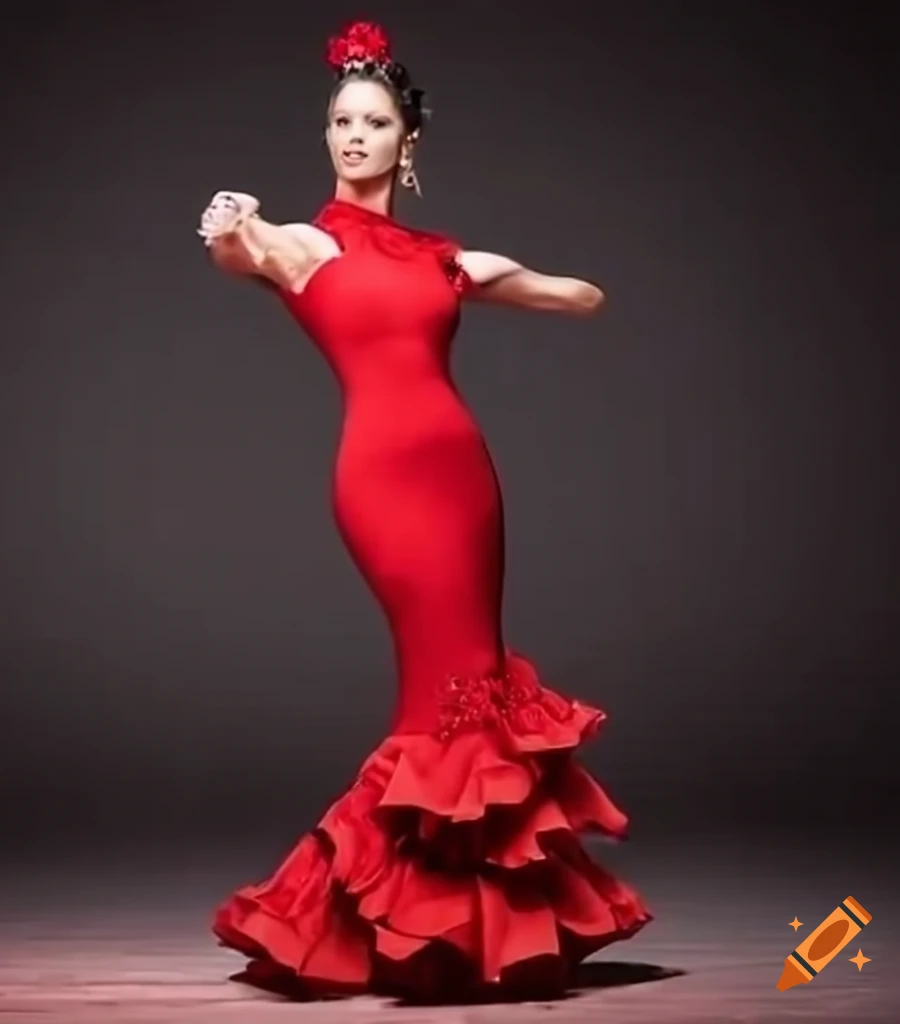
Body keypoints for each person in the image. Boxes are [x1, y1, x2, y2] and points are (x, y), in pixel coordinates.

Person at [198, 20, 651, 1002]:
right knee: (439, 692)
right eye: (339, 122)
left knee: (479, 685)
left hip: (464, 480)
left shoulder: (445, 260)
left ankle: (472, 928)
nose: (352, 136)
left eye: (372, 122)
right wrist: (231, 224)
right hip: (382, 483)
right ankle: (364, 917)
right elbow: (239, 248)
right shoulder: (302, 243)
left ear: (408, 142)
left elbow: (580, 298)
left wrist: (522, 279)